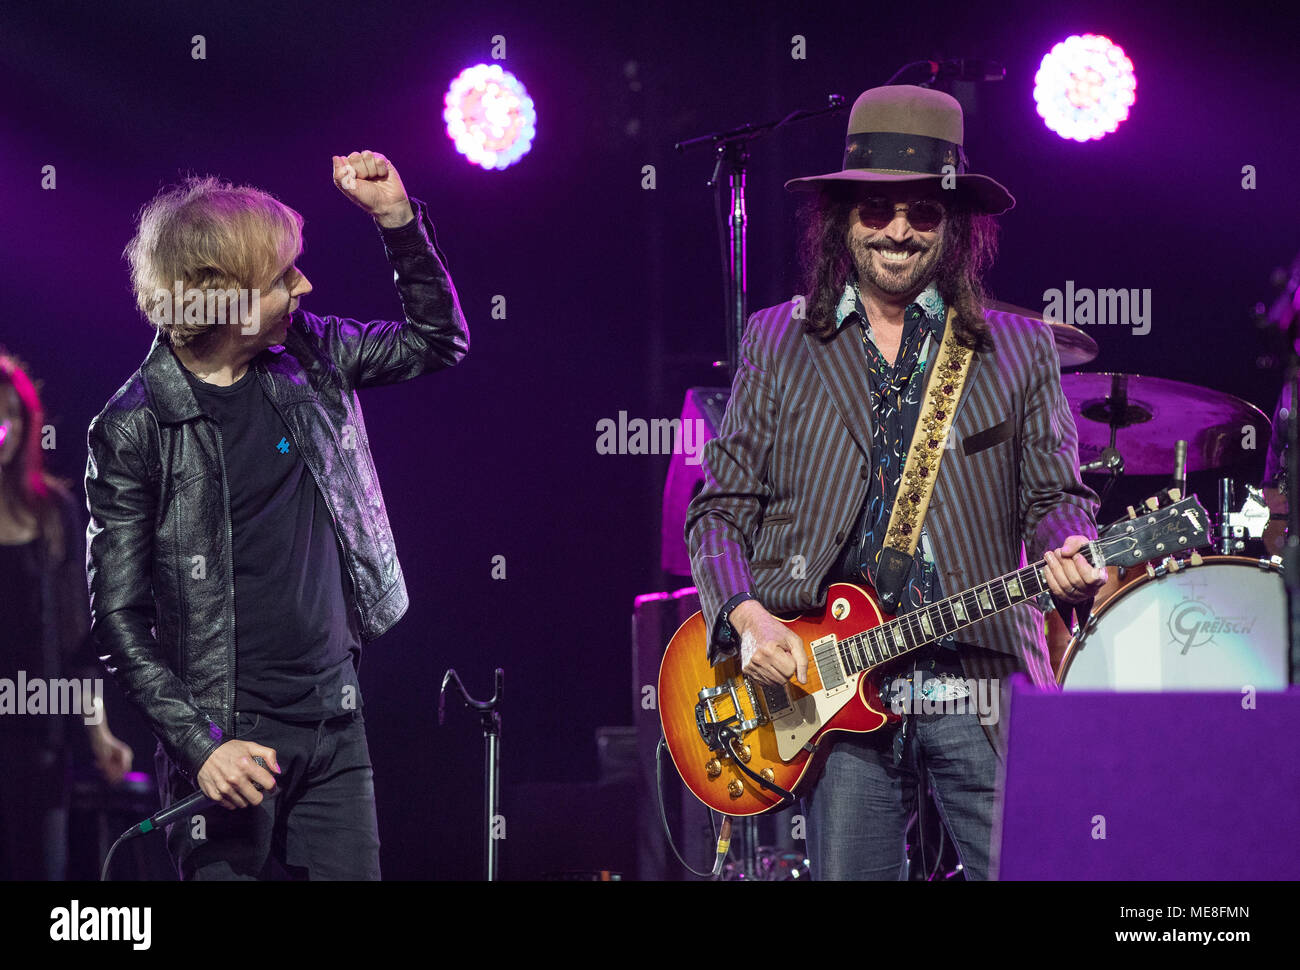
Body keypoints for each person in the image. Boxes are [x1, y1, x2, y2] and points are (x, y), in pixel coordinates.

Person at [685, 87, 1105, 880]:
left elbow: (1057, 498)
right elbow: (720, 510)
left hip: (977, 676)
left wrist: (1070, 545)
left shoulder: (1016, 348)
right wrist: (743, 615)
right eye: (877, 210)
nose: (900, 232)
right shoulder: (778, 339)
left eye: (923, 212)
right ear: (843, 216)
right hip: (832, 687)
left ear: (955, 228)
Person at [85, 150, 469, 880]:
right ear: (221, 298)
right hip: (230, 747)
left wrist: (396, 220)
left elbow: (437, 341)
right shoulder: (134, 426)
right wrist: (202, 747)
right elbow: (119, 621)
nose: (305, 284)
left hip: (335, 723)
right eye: (283, 276)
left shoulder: (311, 352)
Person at [0, 350, 132, 880]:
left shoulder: (51, 512)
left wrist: (98, 732)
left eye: (9, 415)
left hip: (36, 738)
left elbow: (78, 635)